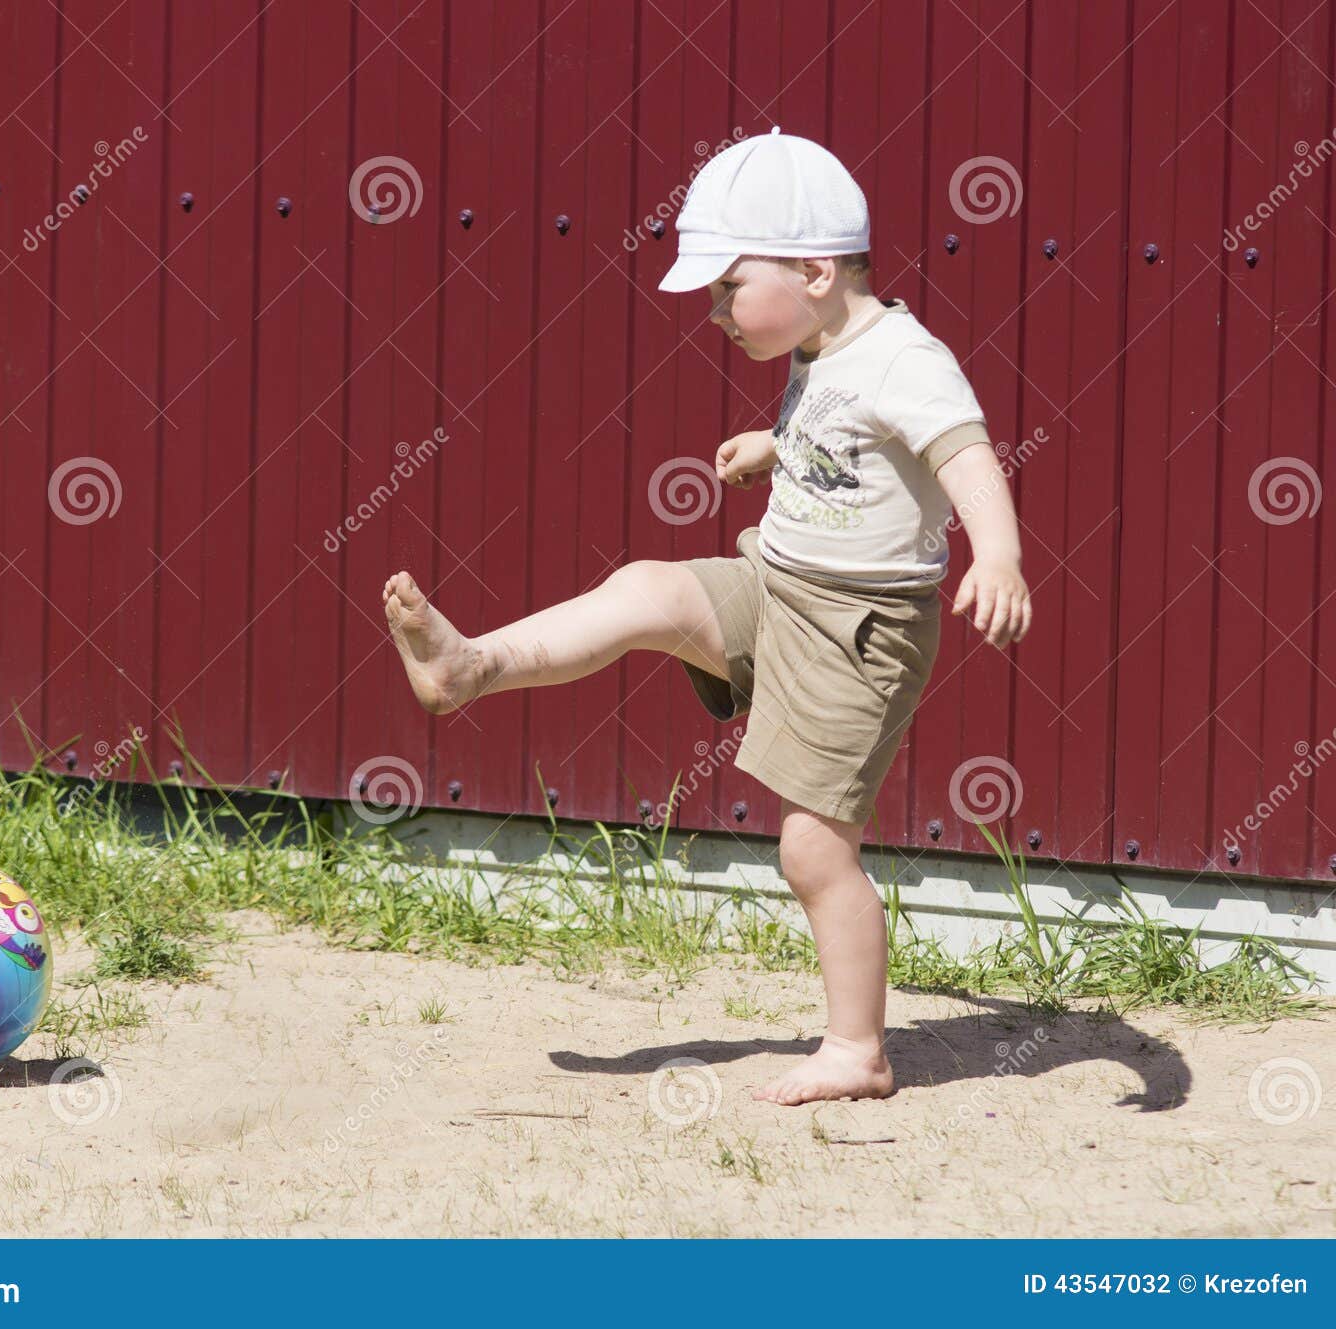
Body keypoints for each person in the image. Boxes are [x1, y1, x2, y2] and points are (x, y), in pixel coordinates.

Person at [383, 128, 1031, 1104]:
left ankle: (859, 1051)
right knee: (646, 584)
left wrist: (1002, 554)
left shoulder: (906, 358)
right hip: (775, 580)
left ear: (813, 269)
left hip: (859, 631)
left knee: (813, 851)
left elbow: (964, 456)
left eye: (730, 287)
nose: (718, 312)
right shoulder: (825, 340)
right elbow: (851, 435)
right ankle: (469, 666)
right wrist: (774, 450)